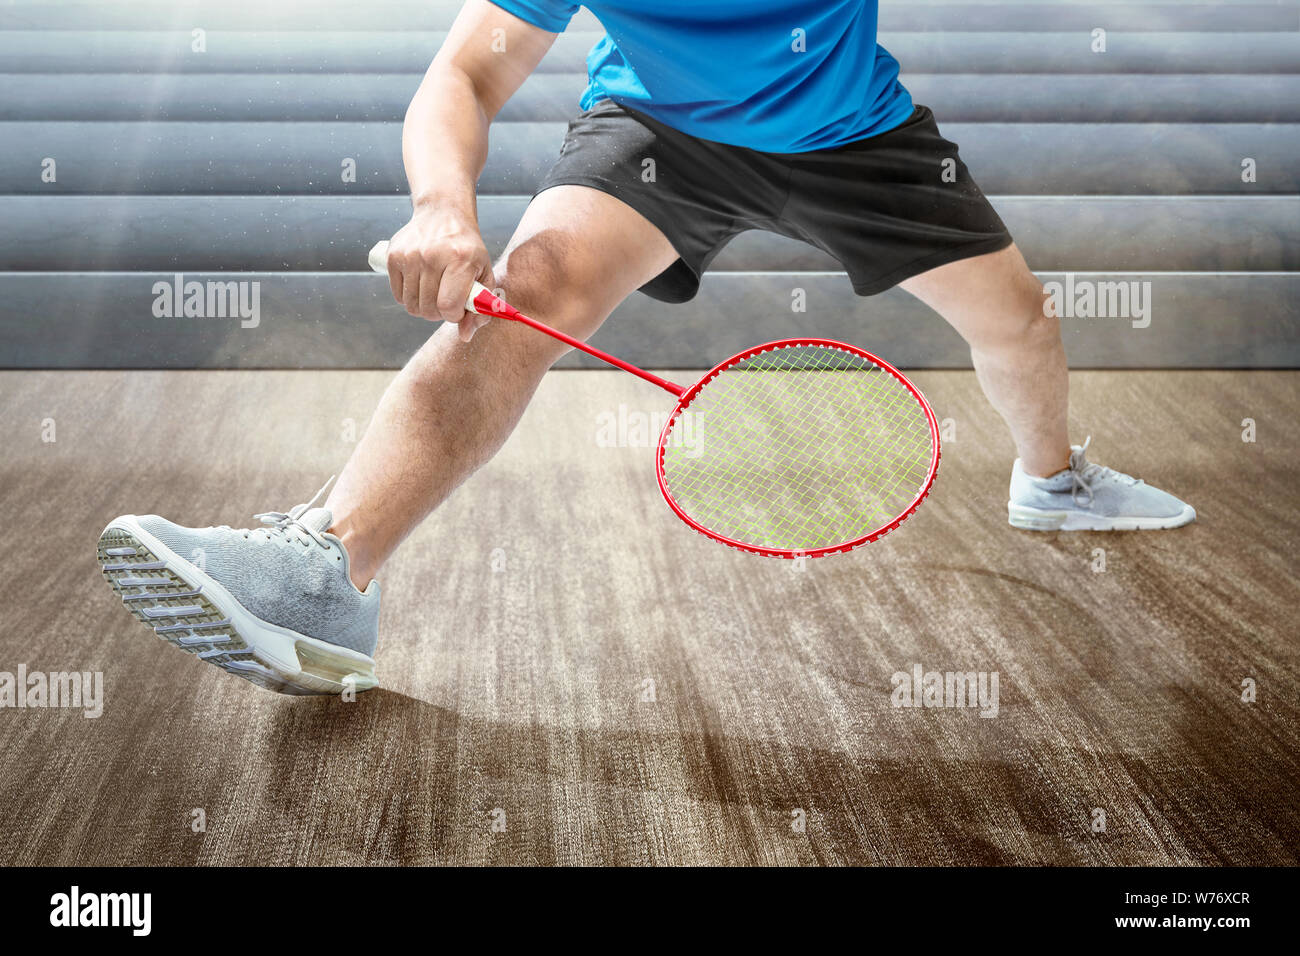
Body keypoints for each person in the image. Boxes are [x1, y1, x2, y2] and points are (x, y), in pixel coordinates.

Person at [98, 0, 1194, 694]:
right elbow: (466, 75)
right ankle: (323, 573)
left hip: (855, 135)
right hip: (661, 135)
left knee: (1024, 321)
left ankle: (1052, 482)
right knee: (518, 295)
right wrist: (440, 207)